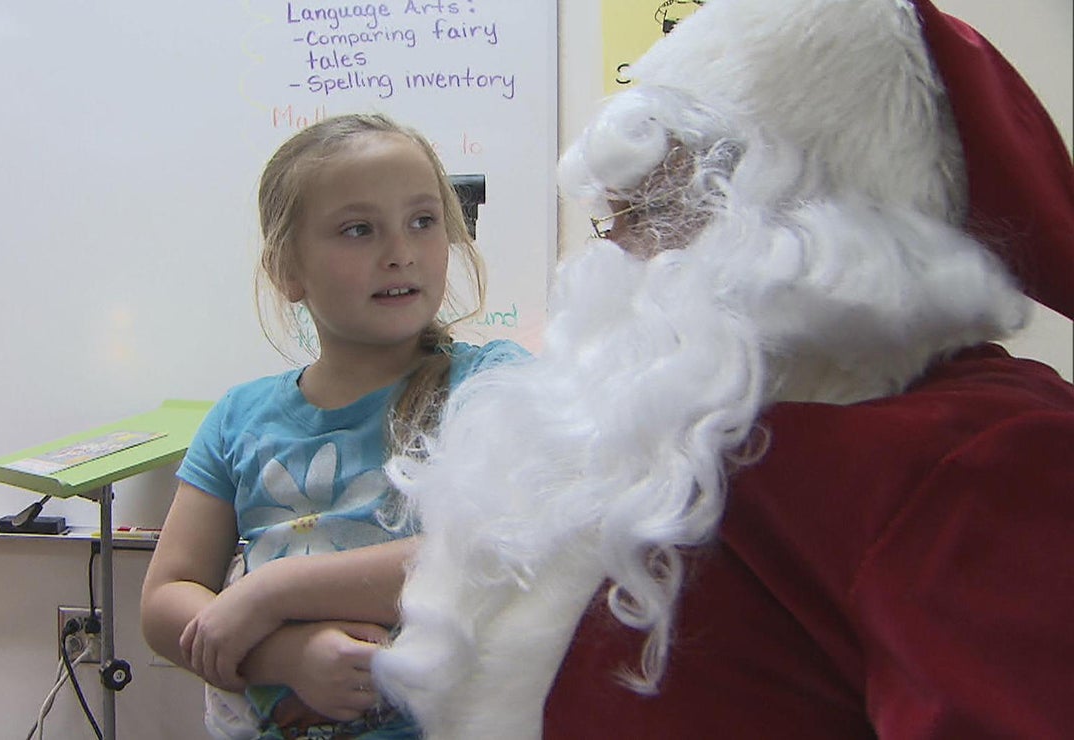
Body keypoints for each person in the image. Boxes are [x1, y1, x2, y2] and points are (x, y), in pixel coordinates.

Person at [371, 0, 1074, 737]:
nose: (617, 258)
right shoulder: (685, 417)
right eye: (610, 223)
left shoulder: (983, 452)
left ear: (799, 216)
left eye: (650, 211)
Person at [140, 112, 529, 740]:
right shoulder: (239, 417)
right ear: (288, 271)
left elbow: (497, 550)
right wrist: (284, 657)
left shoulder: (492, 384)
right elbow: (166, 601)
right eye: (358, 229)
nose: (401, 252)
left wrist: (277, 592)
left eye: (423, 221)